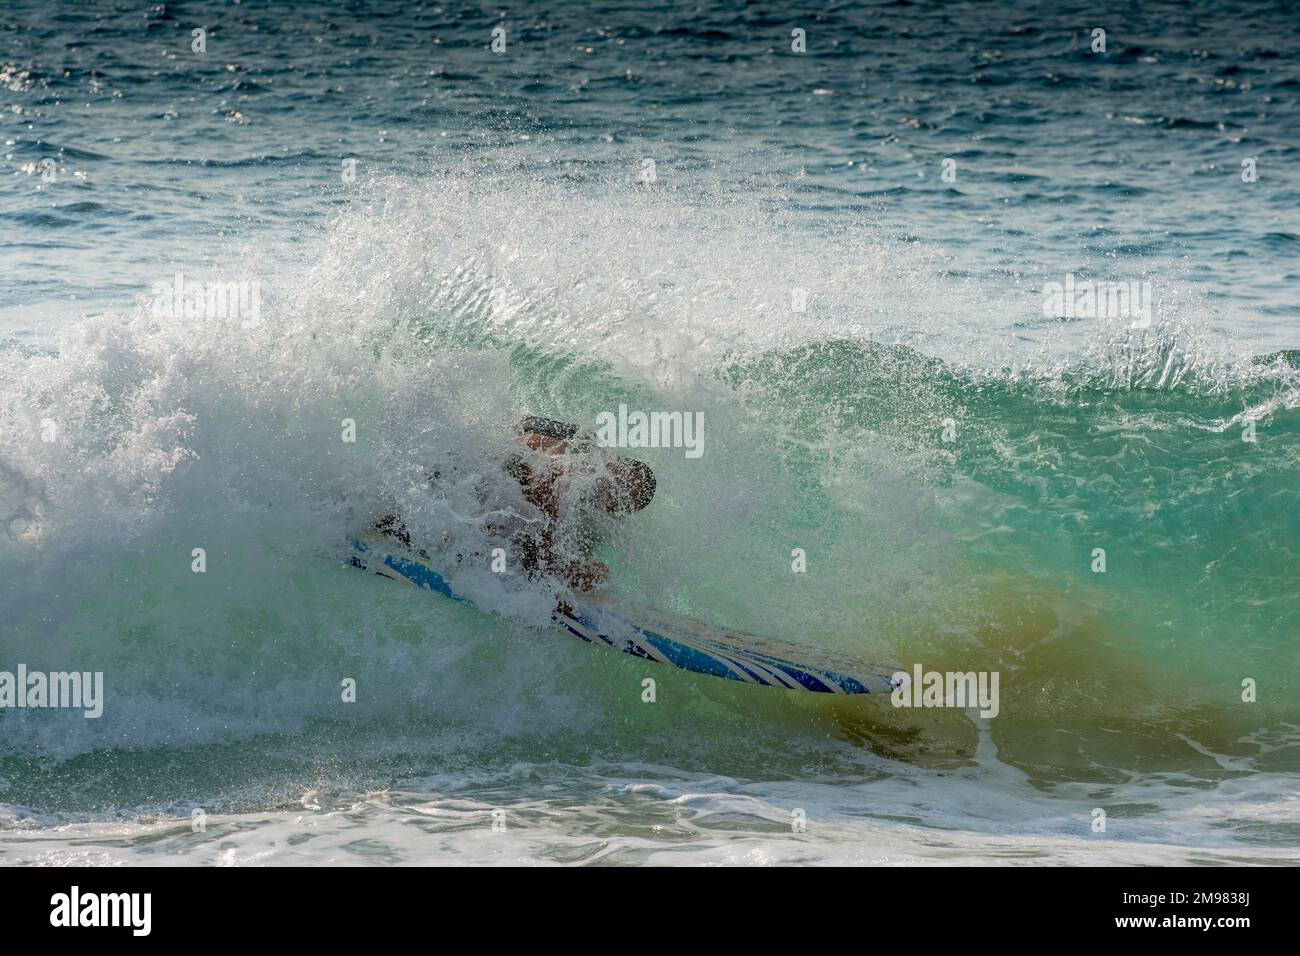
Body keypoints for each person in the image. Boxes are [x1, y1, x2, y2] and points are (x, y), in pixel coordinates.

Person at [374, 416, 655, 593]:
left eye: (620, 500)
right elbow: (543, 486)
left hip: (499, 476)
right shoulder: (584, 456)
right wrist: (557, 571)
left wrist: (577, 571)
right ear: (618, 464)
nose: (613, 493)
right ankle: (391, 522)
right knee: (516, 489)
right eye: (620, 483)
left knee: (532, 541)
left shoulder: (595, 509)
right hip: (477, 464)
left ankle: (406, 528)